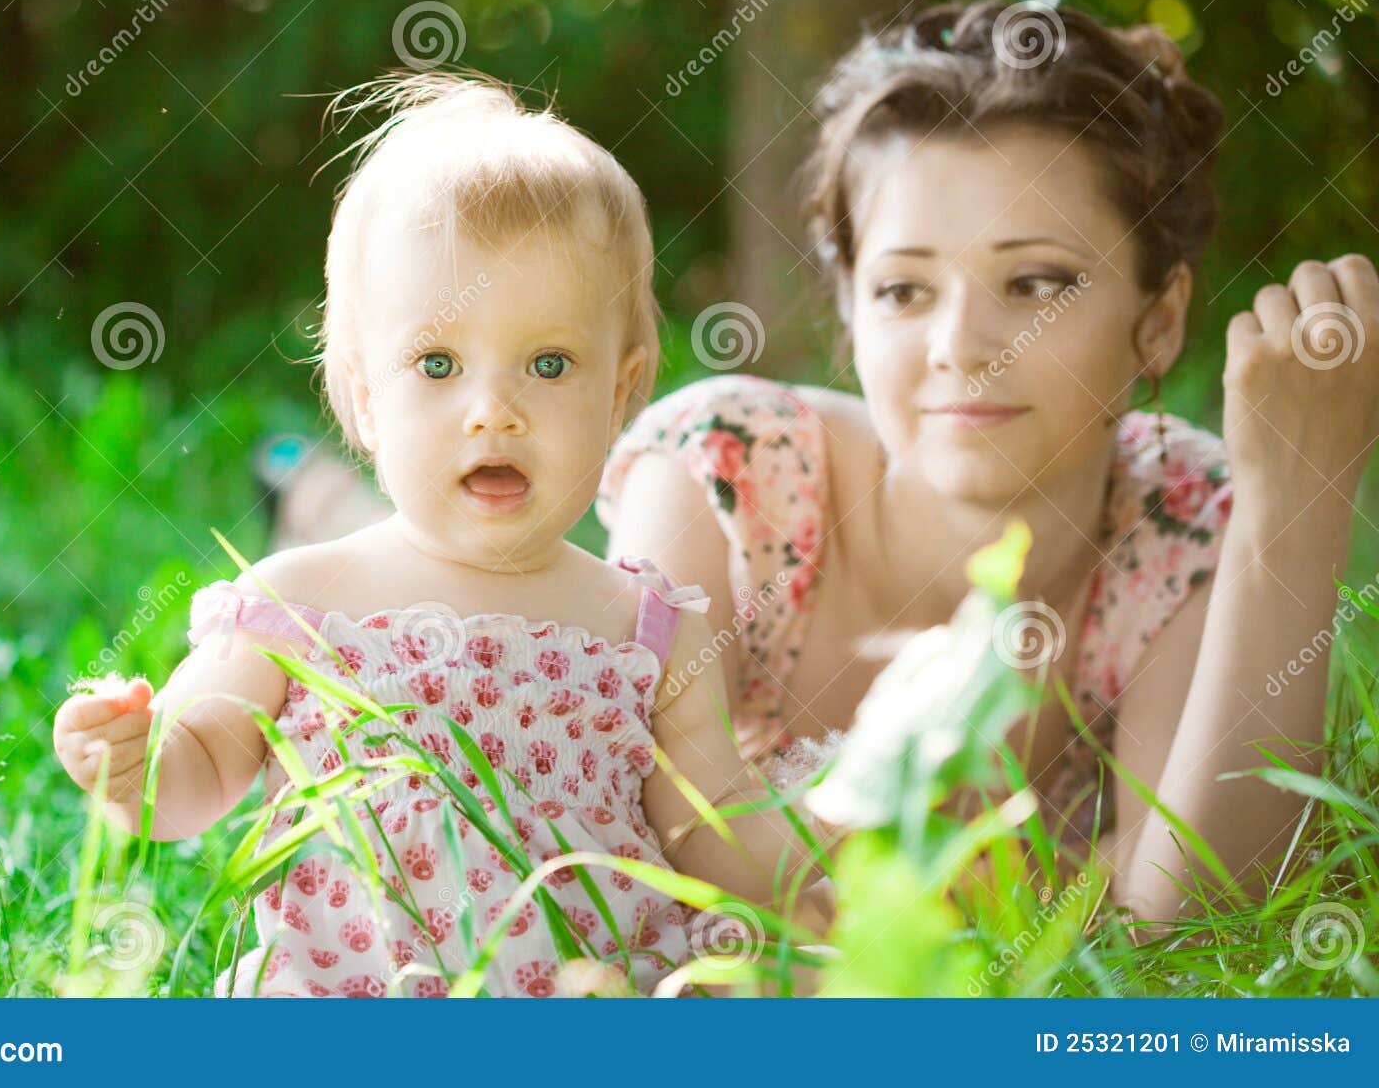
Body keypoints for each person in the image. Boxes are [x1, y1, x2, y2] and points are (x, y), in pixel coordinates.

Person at [598, 0, 1379, 928]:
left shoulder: (1183, 522)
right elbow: (594, 850)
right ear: (852, 313)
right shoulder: (722, 479)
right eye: (903, 289)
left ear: (1159, 321)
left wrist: (1294, 500)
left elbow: (1197, 919)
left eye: (1035, 282)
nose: (962, 344)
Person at [53, 70, 823, 998]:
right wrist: (141, 764)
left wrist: (813, 863)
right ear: (369, 398)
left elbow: (707, 832)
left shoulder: (647, 631)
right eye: (437, 362)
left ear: (620, 391)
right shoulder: (298, 603)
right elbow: (205, 762)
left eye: (548, 362)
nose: (492, 409)